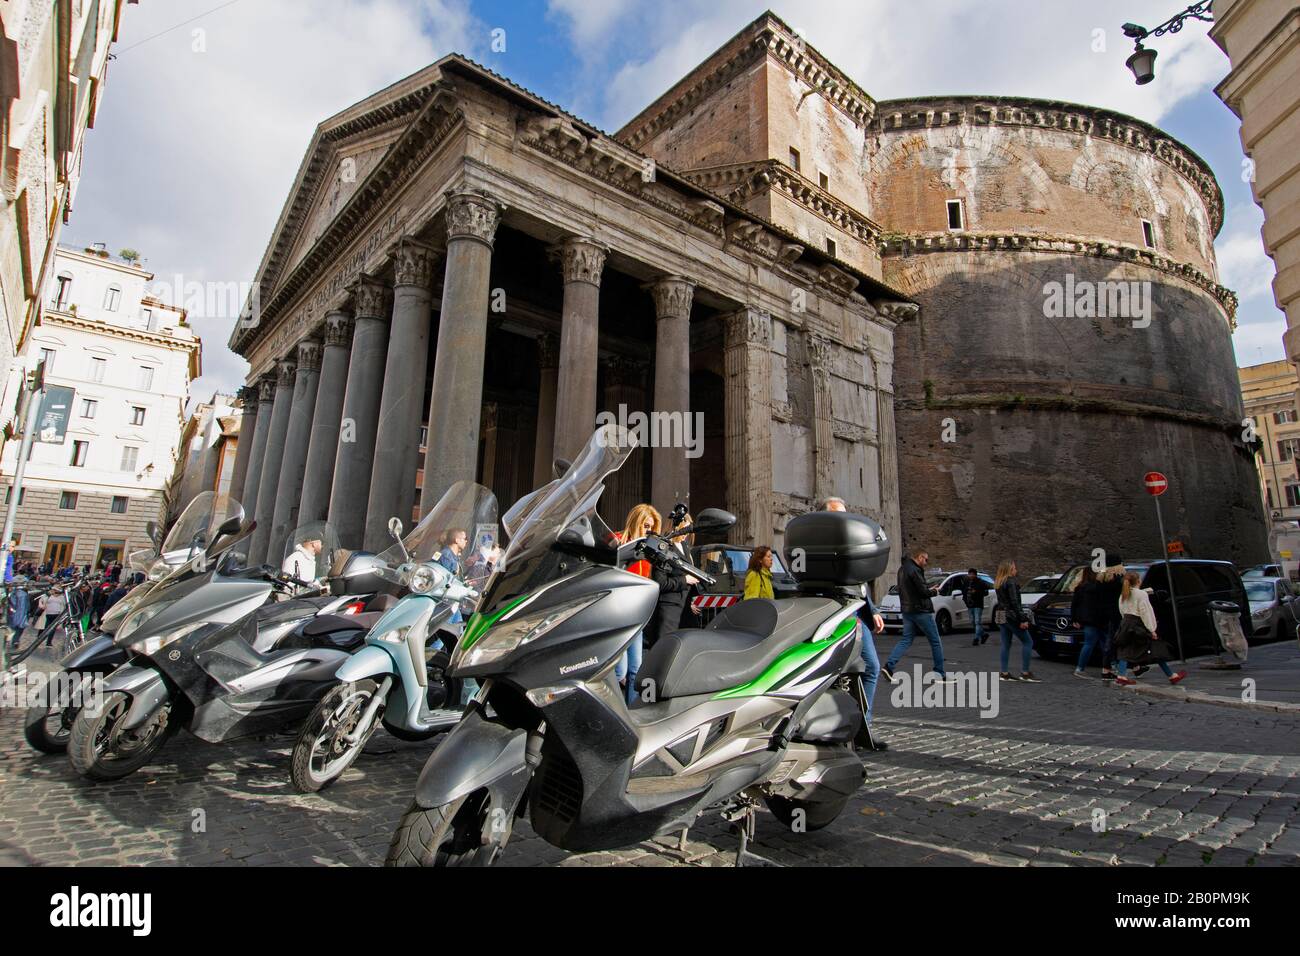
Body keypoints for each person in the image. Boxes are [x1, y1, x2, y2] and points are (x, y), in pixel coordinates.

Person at [824, 497, 887, 750]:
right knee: (839, 671)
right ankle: (840, 727)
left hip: (857, 610)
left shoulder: (848, 540)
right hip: (839, 611)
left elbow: (859, 581)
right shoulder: (823, 543)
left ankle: (862, 727)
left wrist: (873, 610)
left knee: (870, 667)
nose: (843, 519)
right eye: (837, 514)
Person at [882, 547, 952, 683]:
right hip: (921, 611)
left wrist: (927, 589)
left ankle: (888, 666)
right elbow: (922, 592)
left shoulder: (902, 569)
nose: (926, 562)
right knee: (935, 642)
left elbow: (911, 589)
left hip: (907, 610)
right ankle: (939, 674)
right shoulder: (915, 570)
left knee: (906, 639)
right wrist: (934, 592)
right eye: (925, 559)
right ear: (919, 557)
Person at [615, 504, 659, 704]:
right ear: (636, 522)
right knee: (619, 670)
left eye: (651, 527)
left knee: (636, 667)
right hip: (617, 612)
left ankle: (631, 712)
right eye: (646, 525)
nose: (648, 530)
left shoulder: (649, 551)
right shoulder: (617, 540)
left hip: (637, 613)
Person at [1113, 571, 1187, 686]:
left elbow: (1121, 609)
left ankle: (1122, 675)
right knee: (1156, 648)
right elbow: (1146, 612)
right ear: (1138, 581)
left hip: (1126, 623)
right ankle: (1171, 675)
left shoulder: (1124, 593)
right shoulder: (1141, 595)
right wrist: (1152, 629)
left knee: (1125, 649)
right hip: (1137, 624)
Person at [647, 509, 698, 649]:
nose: (686, 535)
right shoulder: (663, 546)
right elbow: (660, 582)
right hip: (668, 610)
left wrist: (691, 601)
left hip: (685, 609)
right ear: (674, 527)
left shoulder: (685, 547)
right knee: (664, 650)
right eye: (683, 530)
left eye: (688, 531)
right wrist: (685, 581)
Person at [994, 560, 1039, 682]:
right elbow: (1015, 602)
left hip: (1000, 613)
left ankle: (1004, 672)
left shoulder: (999, 582)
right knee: (1028, 642)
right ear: (1009, 569)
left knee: (1005, 643)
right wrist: (1022, 619)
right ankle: (1025, 672)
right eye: (1014, 568)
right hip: (1010, 615)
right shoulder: (1010, 582)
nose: (1016, 570)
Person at [1070, 566, 1109, 678]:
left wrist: (1075, 619)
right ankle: (1109, 666)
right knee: (1104, 643)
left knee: (1089, 644)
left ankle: (1080, 668)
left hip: (1087, 620)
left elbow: (1075, 605)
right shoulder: (1098, 587)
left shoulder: (1080, 587)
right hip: (1098, 619)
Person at [1096, 555, 1125, 679]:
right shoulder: (1118, 579)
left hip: (1103, 614)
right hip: (1116, 613)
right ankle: (1107, 668)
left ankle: (1134, 667)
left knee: (1109, 640)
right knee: (1115, 640)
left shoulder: (1100, 580)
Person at [962, 568, 990, 646]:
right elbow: (964, 591)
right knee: (973, 622)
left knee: (977, 621)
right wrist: (965, 600)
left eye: (972, 574)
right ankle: (983, 634)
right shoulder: (967, 582)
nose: (970, 576)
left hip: (978, 604)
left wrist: (976, 592)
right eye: (969, 574)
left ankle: (976, 638)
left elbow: (985, 591)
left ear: (975, 574)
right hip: (970, 604)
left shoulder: (980, 582)